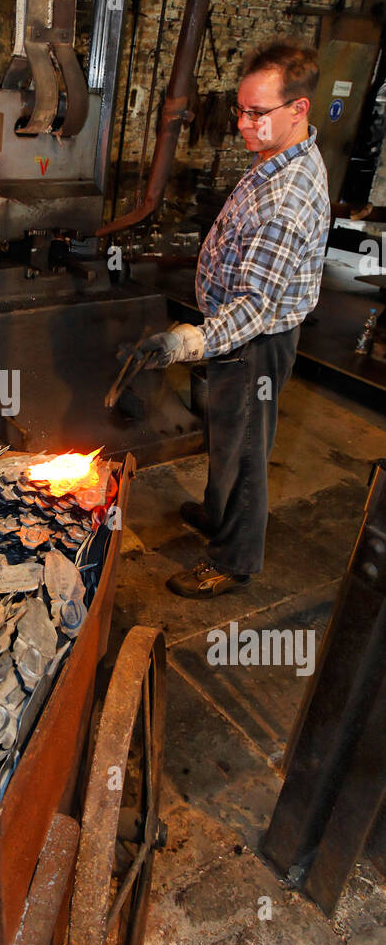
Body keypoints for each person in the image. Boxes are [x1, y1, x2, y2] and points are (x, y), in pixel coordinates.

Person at [138, 40, 331, 598]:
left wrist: (186, 341)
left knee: (245, 448)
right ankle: (218, 511)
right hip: (240, 336)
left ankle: (234, 557)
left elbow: (254, 307)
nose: (242, 125)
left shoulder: (286, 200)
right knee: (227, 435)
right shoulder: (281, 156)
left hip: (256, 343)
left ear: (298, 109)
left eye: (256, 114)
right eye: (239, 110)